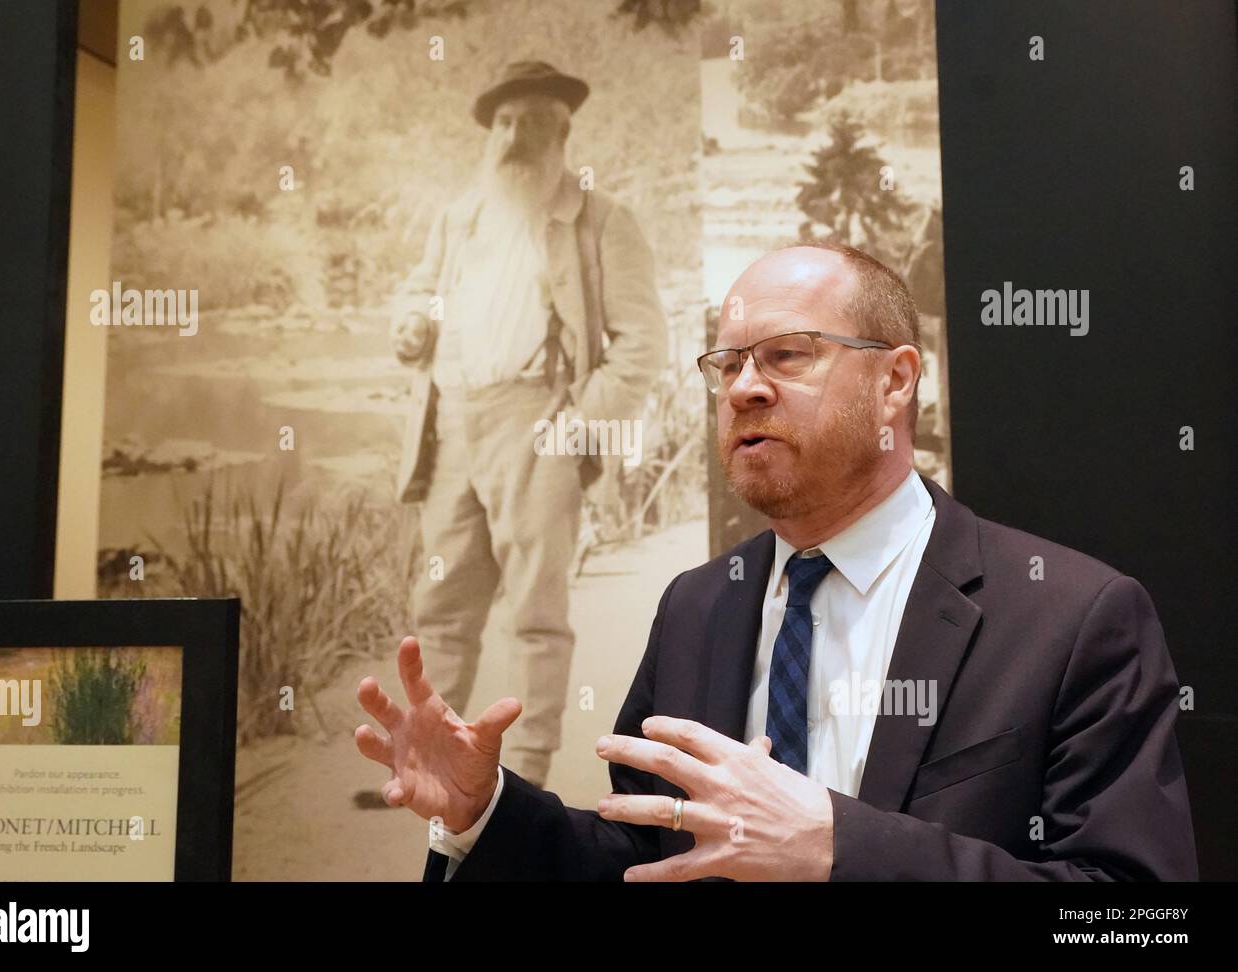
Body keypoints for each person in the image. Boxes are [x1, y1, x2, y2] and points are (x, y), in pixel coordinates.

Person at [358, 242, 1197, 881]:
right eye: (726, 363)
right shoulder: (697, 605)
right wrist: (484, 812)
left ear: (895, 383)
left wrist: (842, 847)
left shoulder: (1074, 617)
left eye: (786, 355)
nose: (741, 390)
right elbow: (641, 857)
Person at [388, 60, 666, 787]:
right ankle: (429, 761)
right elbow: (419, 289)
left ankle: (531, 766)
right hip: (453, 421)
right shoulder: (461, 218)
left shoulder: (603, 221)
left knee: (537, 606)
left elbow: (643, 345)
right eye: (503, 123)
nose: (513, 136)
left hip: (540, 420)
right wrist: (412, 322)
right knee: (442, 603)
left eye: (531, 122)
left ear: (563, 132)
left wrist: (577, 425)